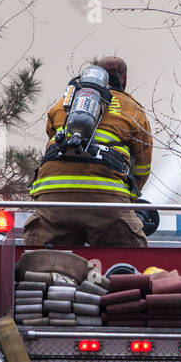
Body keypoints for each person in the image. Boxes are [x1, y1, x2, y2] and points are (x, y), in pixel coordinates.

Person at [24, 55, 153, 247]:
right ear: (124, 80)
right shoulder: (133, 110)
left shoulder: (62, 104)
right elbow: (142, 165)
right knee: (127, 262)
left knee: (42, 264)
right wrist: (130, 197)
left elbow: (51, 139)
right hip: (106, 199)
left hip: (53, 198)